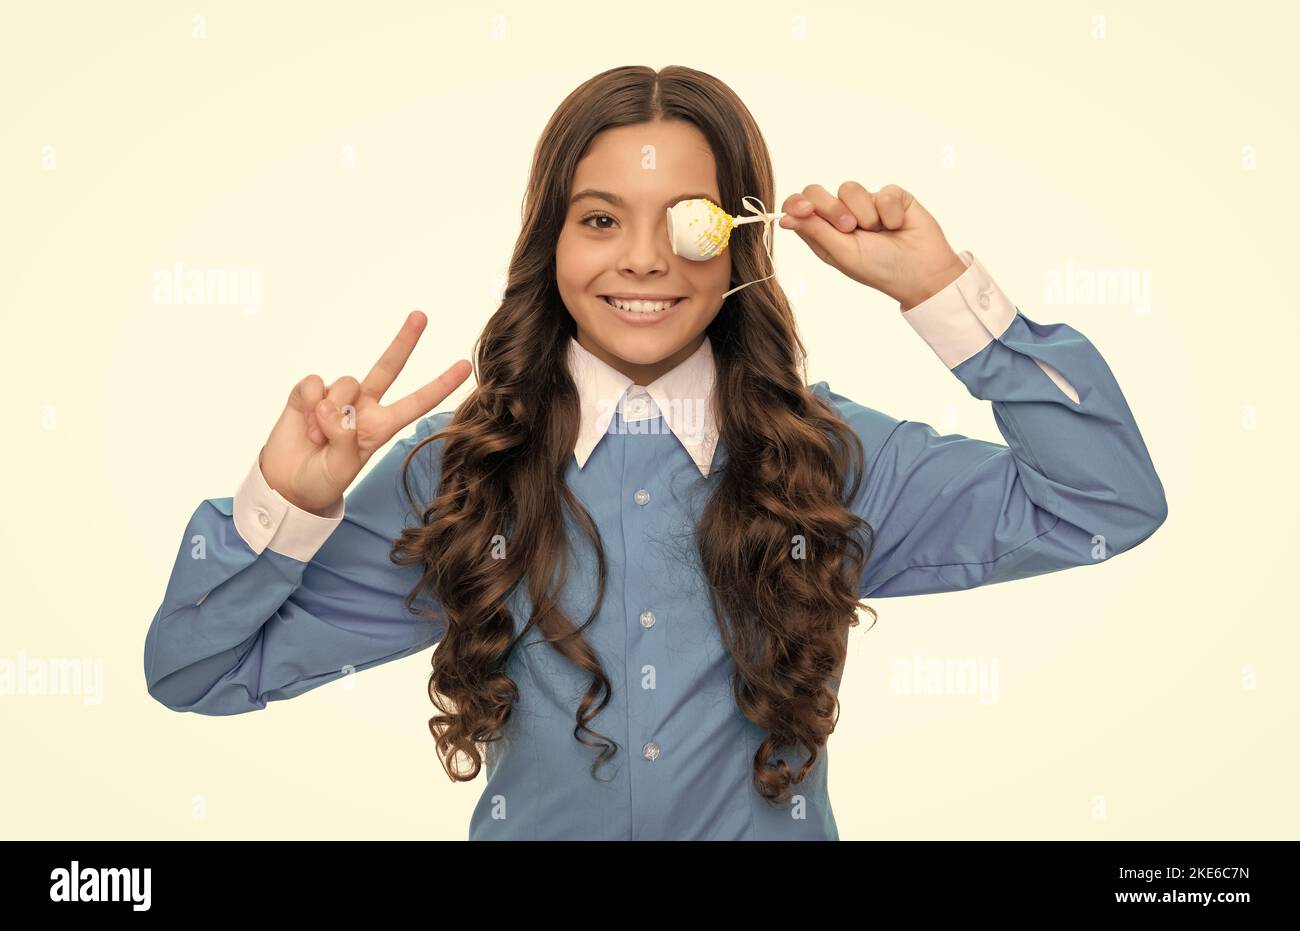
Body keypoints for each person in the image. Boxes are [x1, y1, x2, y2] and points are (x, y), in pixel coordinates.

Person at [143, 65, 1167, 840]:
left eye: (686, 223)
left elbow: (1101, 503)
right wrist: (283, 503)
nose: (640, 258)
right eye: (599, 220)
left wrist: (940, 291)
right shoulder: (456, 476)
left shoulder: (836, 463)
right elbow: (195, 670)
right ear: (550, 243)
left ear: (740, 245)